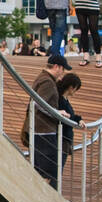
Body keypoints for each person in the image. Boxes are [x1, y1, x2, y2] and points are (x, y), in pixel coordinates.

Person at [20, 51, 74, 186]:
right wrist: (58, 113)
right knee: (49, 173)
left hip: (37, 129)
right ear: (57, 66)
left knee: (41, 171)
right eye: (63, 69)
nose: (63, 73)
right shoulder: (47, 82)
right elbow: (40, 104)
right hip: (44, 131)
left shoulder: (41, 78)